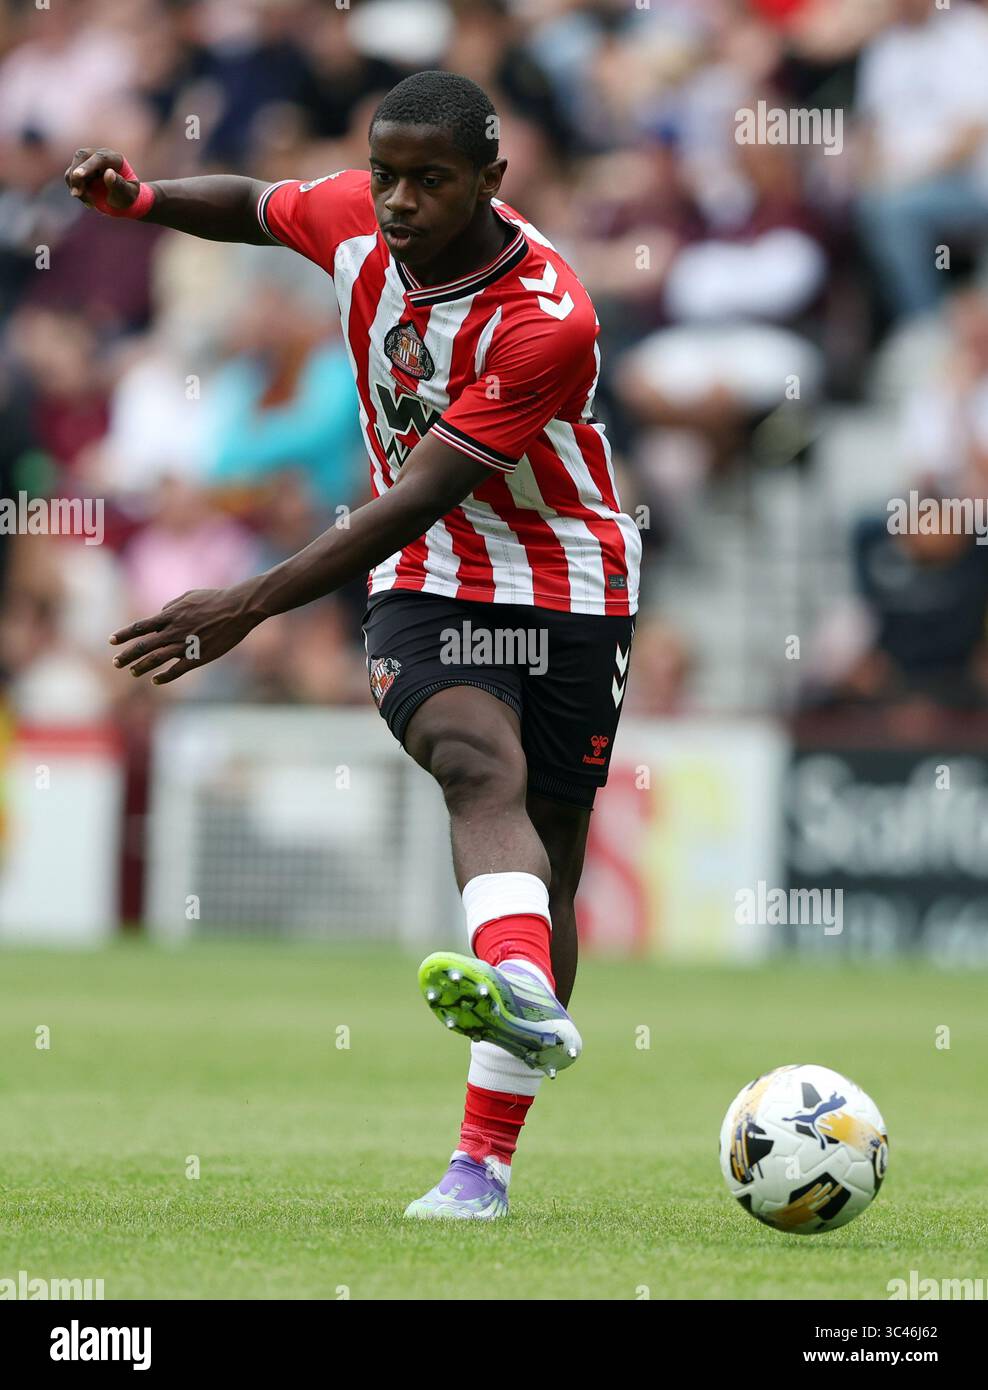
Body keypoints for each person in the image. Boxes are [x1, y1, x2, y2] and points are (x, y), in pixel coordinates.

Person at [66, 69, 642, 1220]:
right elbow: (255, 203)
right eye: (384, 175)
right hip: (427, 583)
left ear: (492, 179)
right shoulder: (355, 219)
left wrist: (251, 599)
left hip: (569, 577)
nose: (396, 201)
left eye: (429, 181)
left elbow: (420, 491)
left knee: (556, 855)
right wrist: (141, 199)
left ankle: (487, 1151)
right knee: (476, 766)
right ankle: (509, 1027)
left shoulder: (545, 317)